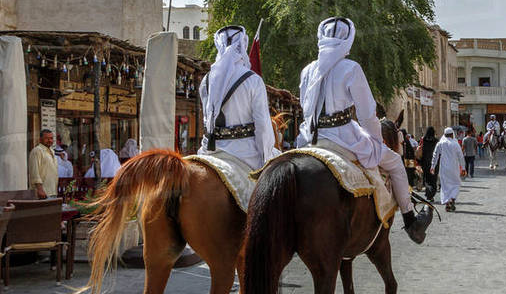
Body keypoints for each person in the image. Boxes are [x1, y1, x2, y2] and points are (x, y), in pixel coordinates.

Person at [295, 17, 432, 240]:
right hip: (344, 137)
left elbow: (305, 107)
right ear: (348, 40)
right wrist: (376, 142)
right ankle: (411, 221)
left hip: (311, 137)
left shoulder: (307, 70)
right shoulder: (351, 68)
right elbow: (367, 114)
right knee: (396, 163)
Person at [197, 25, 279, 170]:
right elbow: (262, 126)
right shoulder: (253, 80)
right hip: (245, 154)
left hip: (210, 151)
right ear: (243, 44)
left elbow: (206, 121)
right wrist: (266, 157)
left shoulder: (206, 81)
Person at [431, 127, 466, 211]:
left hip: (444, 168)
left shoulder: (440, 143)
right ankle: (452, 199)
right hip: (454, 168)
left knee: (445, 186)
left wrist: (433, 166)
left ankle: (447, 203)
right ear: (451, 134)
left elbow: (435, 155)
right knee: (456, 184)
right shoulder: (455, 144)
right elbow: (461, 156)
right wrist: (463, 167)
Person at [28, 129, 59, 198]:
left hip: (52, 191)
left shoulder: (52, 151)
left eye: (51, 138)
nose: (50, 140)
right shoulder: (37, 151)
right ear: (40, 139)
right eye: (47, 138)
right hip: (42, 192)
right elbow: (34, 172)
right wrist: (40, 189)